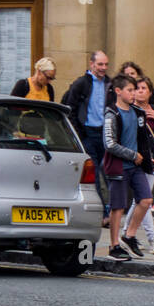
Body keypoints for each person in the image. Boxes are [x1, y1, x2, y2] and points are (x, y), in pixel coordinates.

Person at [102, 74, 153, 261]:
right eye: (130, 90)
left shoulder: (137, 112)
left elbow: (143, 140)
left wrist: (148, 159)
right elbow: (109, 143)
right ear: (118, 91)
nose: (134, 94)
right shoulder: (111, 114)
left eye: (135, 90)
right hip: (119, 167)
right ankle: (114, 245)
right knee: (118, 207)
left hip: (136, 166)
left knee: (146, 199)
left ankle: (129, 236)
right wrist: (132, 155)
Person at [61, 51, 111, 222]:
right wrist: (79, 133)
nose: (103, 68)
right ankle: (102, 213)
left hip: (104, 134)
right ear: (91, 64)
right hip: (88, 133)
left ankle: (111, 209)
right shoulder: (81, 83)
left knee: (109, 172)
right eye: (100, 65)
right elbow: (70, 109)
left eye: (106, 65)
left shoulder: (109, 84)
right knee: (94, 173)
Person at [131, 76, 154, 254]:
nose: (140, 91)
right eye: (137, 88)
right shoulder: (130, 111)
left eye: (143, 88)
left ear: (150, 92)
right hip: (136, 160)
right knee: (145, 200)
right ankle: (152, 239)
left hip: (152, 161)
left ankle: (126, 235)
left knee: (139, 201)